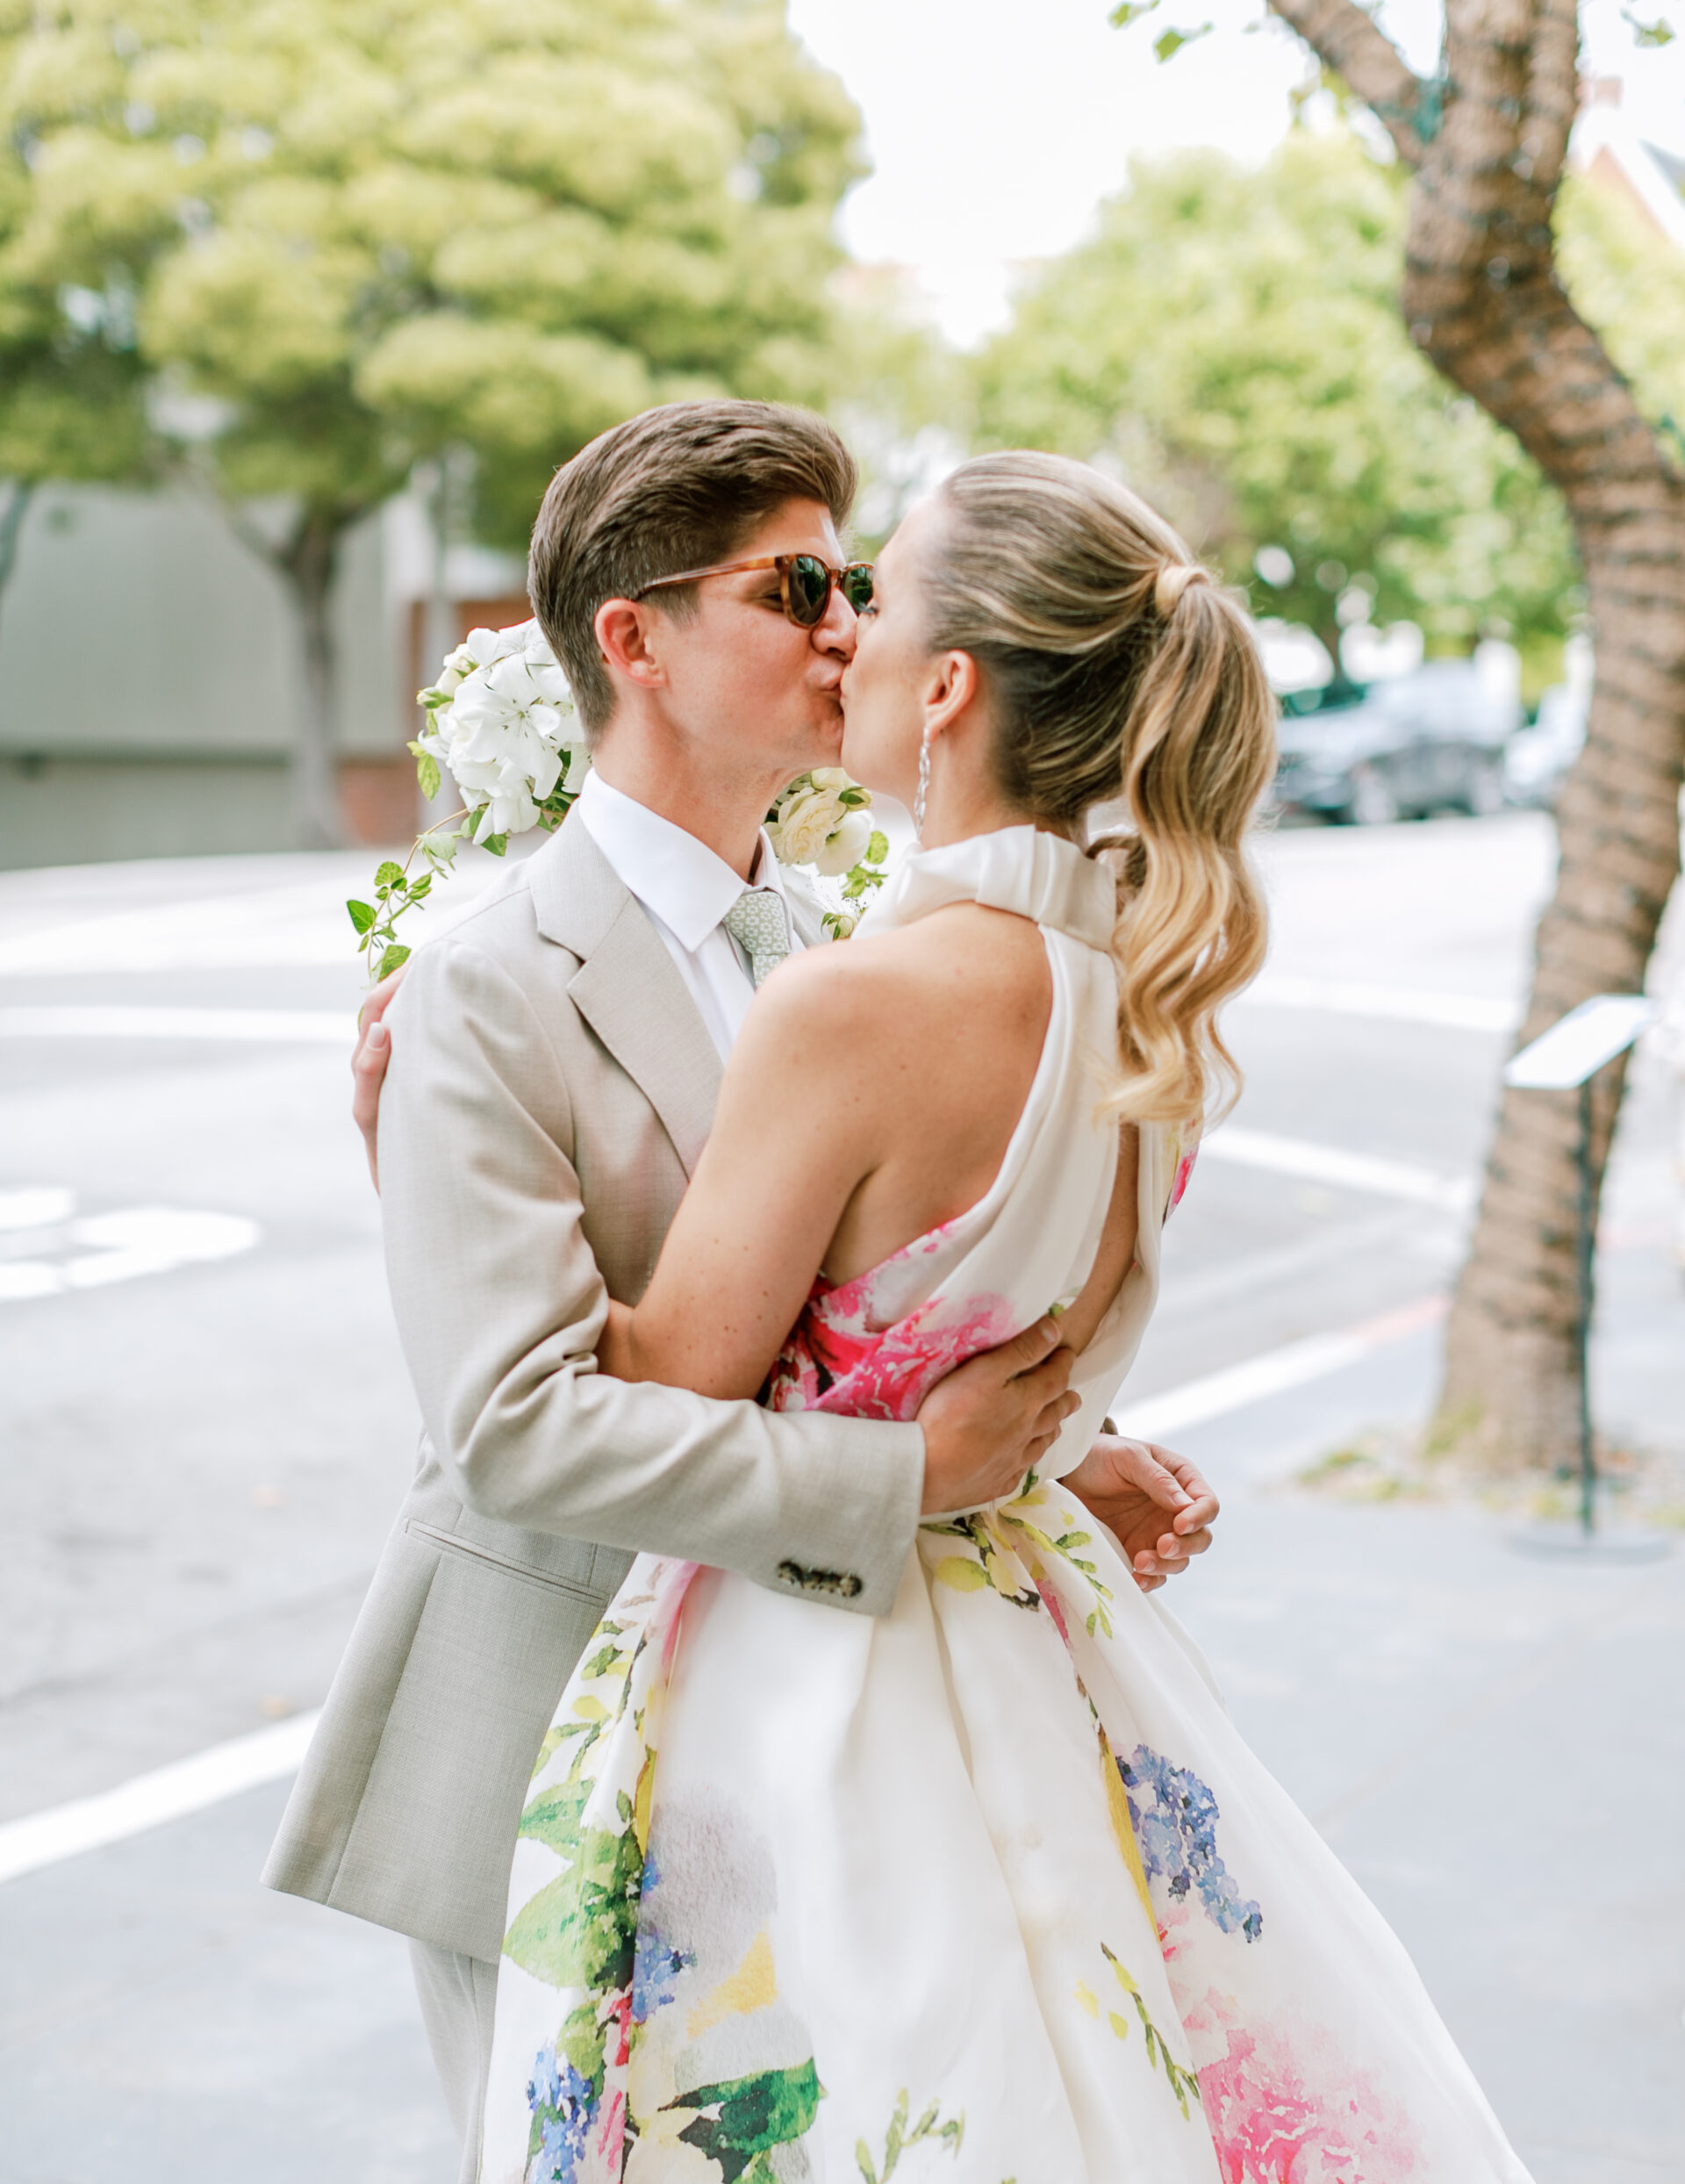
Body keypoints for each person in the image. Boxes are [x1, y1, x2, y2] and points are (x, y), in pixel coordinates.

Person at [473, 450, 1535, 2180]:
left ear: (951, 688)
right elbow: (972, 1341)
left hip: (820, 1674)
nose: (847, 640)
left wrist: (445, 1127)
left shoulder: (853, 1004)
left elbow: (668, 1379)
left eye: (870, 598)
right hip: (1045, 1651)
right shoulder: (1147, 1003)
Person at [265, 401, 1219, 2184]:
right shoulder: (481, 992)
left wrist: (1037, 1450)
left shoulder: (845, 968)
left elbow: (839, 1330)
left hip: (822, 1735)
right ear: (633, 637)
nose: (851, 625)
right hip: (543, 1722)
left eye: (858, 581)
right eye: (797, 585)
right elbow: (512, 1418)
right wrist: (908, 1479)